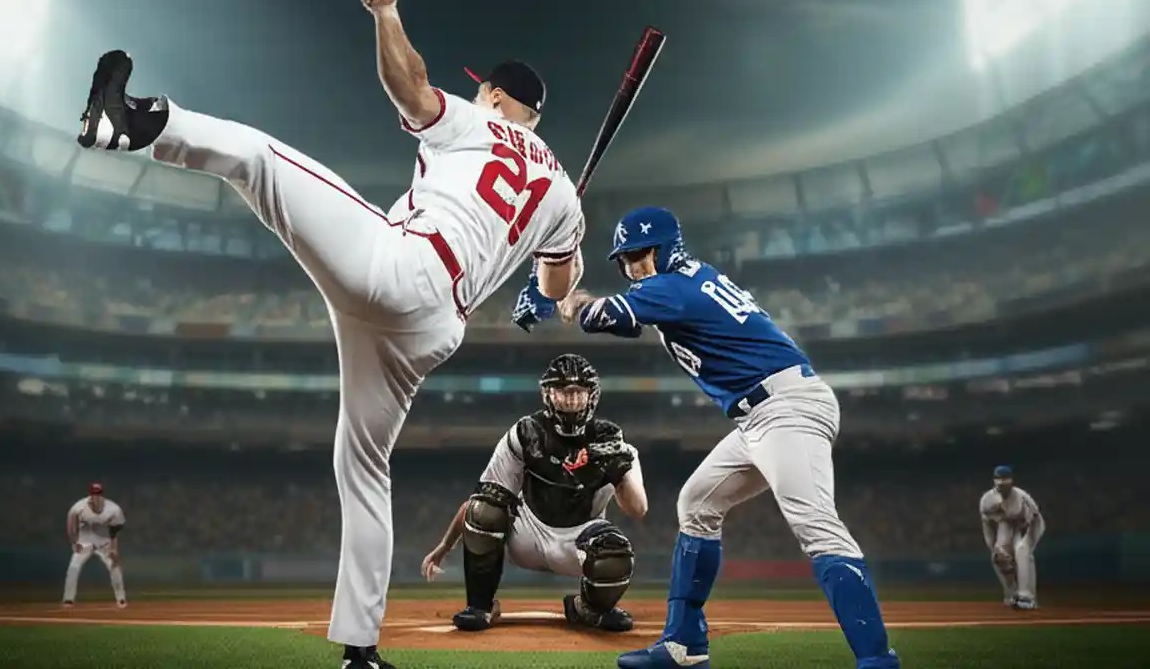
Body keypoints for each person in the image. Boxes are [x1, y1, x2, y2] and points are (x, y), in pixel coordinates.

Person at [75, 0, 585, 669]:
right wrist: (561, 246)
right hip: (433, 330)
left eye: (482, 88)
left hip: (402, 266)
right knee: (363, 467)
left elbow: (410, 90)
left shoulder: (478, 122)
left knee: (260, 158)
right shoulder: (563, 196)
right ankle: (360, 650)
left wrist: (387, 11)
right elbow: (558, 288)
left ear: (496, 94)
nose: (477, 92)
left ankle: (129, 124)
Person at [521, 206, 899, 669]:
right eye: (625, 260)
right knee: (697, 504)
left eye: (640, 255)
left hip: (786, 409)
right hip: (759, 416)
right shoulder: (686, 280)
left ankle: (877, 660)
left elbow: (603, 317)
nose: (632, 267)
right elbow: (632, 317)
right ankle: (684, 647)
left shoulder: (673, 286)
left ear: (665, 249)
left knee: (817, 527)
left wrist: (575, 301)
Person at [420, 354, 648, 633]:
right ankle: (481, 606)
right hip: (526, 535)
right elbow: (481, 500)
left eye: (577, 392)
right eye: (562, 391)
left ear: (592, 395)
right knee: (485, 510)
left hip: (580, 540)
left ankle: (587, 608)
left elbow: (638, 509)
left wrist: (617, 468)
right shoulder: (525, 433)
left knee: (615, 553)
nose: (570, 400)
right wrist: (444, 547)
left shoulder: (615, 443)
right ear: (548, 394)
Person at [979, 465, 1045, 610]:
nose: (1002, 483)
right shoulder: (986, 501)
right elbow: (988, 528)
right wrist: (996, 550)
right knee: (998, 557)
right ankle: (1011, 594)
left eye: (1005, 479)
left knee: (1022, 551)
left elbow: (1031, 523)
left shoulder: (1021, 499)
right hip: (1007, 524)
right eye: (999, 479)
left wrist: (1020, 548)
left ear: (1011, 481)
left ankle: (1027, 596)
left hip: (1032, 524)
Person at [62, 483, 127, 608]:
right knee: (74, 566)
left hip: (104, 543)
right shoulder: (78, 507)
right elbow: (71, 525)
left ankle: (121, 598)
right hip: (85, 543)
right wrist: (74, 542)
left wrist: (114, 549)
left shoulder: (114, 509)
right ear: (90, 495)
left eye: (98, 494)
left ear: (102, 495)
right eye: (94, 494)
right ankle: (68, 599)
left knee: (114, 566)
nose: (96, 497)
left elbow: (114, 531)